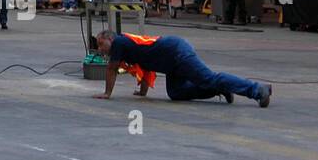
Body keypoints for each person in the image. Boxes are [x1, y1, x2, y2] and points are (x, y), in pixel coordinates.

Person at [93, 29, 271, 106]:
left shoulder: (120, 43)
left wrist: (107, 93)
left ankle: (257, 90)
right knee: (176, 93)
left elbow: (111, 69)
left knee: (208, 78)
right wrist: (143, 92)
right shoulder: (127, 48)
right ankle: (220, 90)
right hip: (171, 63)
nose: (101, 49)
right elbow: (145, 67)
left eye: (101, 44)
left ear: (110, 39)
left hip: (176, 52)